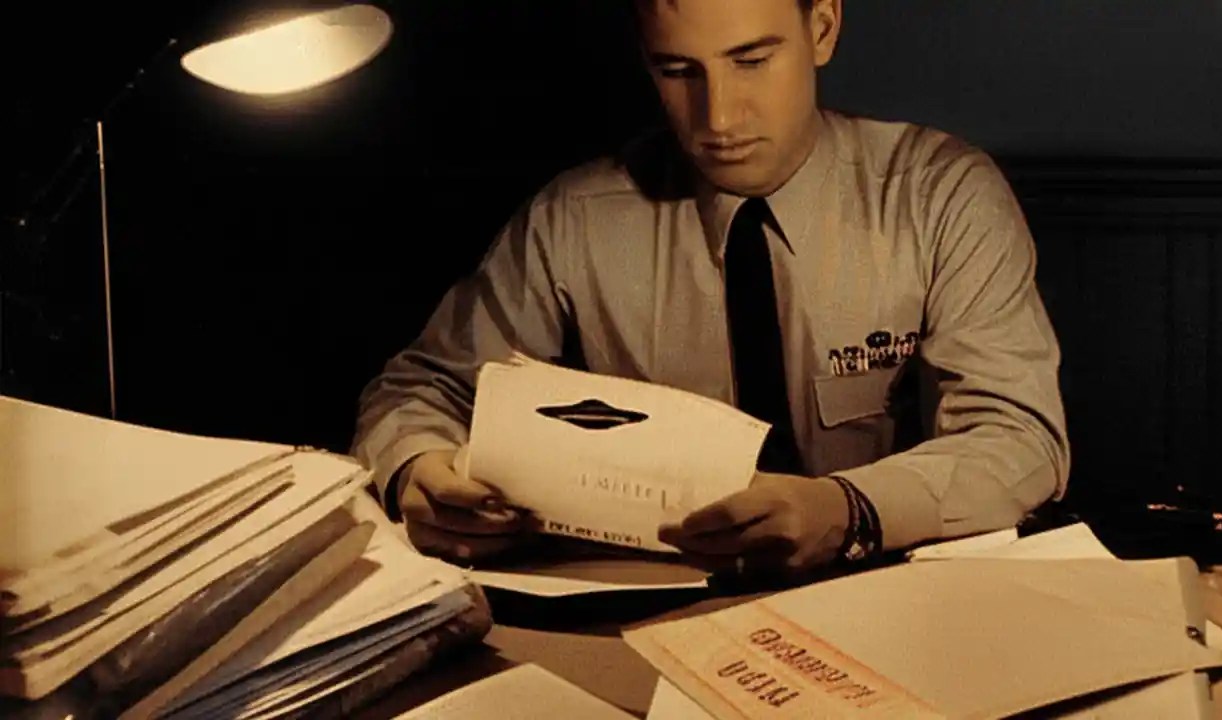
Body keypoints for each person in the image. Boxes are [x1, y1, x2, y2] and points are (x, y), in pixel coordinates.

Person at [352, 0, 1069, 578]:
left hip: (895, 588)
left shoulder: (939, 194)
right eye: (677, 71)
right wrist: (416, 468)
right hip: (650, 604)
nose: (718, 118)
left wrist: (846, 511)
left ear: (822, 27)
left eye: (752, 60)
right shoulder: (574, 217)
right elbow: (418, 390)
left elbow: (1020, 439)